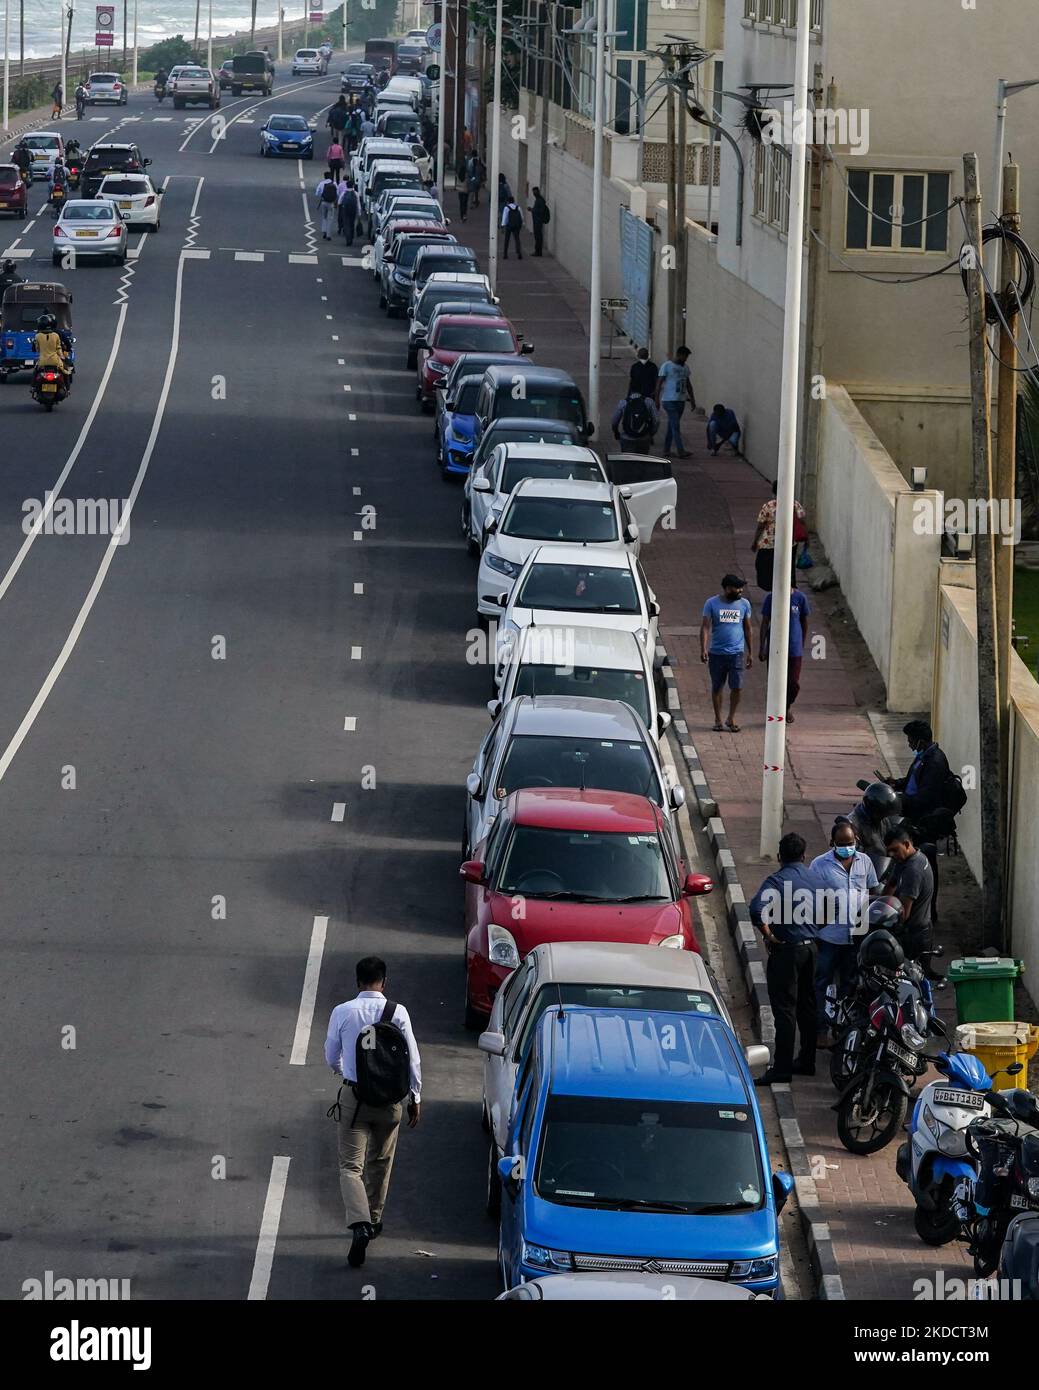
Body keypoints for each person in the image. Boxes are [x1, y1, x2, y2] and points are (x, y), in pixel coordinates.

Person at [324, 956, 421, 1269]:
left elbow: (330, 1056)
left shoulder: (342, 1011)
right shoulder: (399, 1012)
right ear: (384, 981)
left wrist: (348, 1072)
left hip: (355, 1099)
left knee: (350, 1167)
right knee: (380, 1161)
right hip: (390, 1103)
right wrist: (415, 1098)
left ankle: (360, 1222)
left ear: (357, 982)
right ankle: (375, 1221)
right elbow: (413, 1060)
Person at [750, 833, 820, 1084]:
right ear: (804, 855)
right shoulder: (815, 877)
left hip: (787, 951)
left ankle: (781, 1069)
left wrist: (769, 935)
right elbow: (833, 907)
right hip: (811, 948)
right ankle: (807, 1060)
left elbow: (756, 909)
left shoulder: (777, 880)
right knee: (808, 1006)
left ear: (780, 856)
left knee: (785, 1011)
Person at [810, 820, 879, 1047]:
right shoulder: (819, 865)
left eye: (850, 843)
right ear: (832, 843)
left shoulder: (865, 862)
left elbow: (871, 891)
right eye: (842, 844)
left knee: (850, 985)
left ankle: (844, 1029)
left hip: (857, 936)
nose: (847, 848)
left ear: (856, 841)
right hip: (829, 937)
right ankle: (821, 1028)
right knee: (822, 983)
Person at [700, 573, 753, 733]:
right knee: (717, 687)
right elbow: (705, 627)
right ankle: (718, 719)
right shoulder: (711, 603)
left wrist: (750, 652)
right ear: (728, 589)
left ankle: (731, 717)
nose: (741, 591)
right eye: (738, 588)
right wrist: (703, 648)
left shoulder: (744, 604)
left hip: (737, 653)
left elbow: (748, 628)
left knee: (737, 687)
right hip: (716, 653)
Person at [759, 580, 810, 722]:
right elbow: (765, 622)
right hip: (775, 648)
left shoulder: (800, 598)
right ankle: (776, 713)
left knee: (793, 683)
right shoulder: (771, 598)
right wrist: (762, 646)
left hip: (794, 649)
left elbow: (804, 621)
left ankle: (786, 706)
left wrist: (801, 643)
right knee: (775, 682)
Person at [885, 720, 953, 825]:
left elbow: (923, 799)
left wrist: (898, 798)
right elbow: (914, 780)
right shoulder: (922, 756)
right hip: (908, 806)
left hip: (920, 816)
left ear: (920, 742)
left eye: (911, 742)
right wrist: (896, 783)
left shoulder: (934, 763)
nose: (909, 745)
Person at [883, 826, 935, 961]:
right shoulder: (905, 859)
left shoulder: (913, 870)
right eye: (889, 851)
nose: (891, 855)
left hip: (915, 935)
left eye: (895, 850)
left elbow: (904, 913)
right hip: (918, 929)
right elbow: (891, 884)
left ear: (906, 844)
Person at [752, 479, 807, 592]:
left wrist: (755, 541)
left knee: (764, 567)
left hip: (769, 543)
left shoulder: (768, 506)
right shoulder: (795, 504)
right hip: (790, 543)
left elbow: (761, 526)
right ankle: (788, 589)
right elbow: (802, 522)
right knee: (788, 567)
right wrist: (806, 539)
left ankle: (773, 590)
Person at [654, 346, 695, 458]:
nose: (686, 359)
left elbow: (688, 384)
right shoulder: (667, 366)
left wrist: (692, 400)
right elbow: (659, 383)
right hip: (669, 400)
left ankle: (666, 450)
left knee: (671, 425)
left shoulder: (685, 368)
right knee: (675, 426)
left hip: (680, 401)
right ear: (679, 354)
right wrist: (656, 399)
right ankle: (680, 450)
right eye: (685, 356)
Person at [32, 312, 72, 385]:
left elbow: (36, 349)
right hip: (55, 360)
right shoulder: (56, 335)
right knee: (66, 371)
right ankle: (68, 389)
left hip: (42, 361)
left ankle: (33, 387)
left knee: (35, 371)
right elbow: (59, 348)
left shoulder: (37, 336)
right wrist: (62, 357)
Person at [315, 170, 338, 239]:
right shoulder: (334, 183)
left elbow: (317, 193)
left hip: (324, 202)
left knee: (324, 217)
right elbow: (337, 194)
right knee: (330, 219)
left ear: (324, 177)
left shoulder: (322, 183)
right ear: (330, 177)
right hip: (331, 203)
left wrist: (322, 195)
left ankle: (324, 230)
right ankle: (328, 235)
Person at [338, 178, 359, 245]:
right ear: (353, 186)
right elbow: (358, 204)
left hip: (345, 210)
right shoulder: (356, 193)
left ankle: (348, 239)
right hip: (353, 210)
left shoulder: (344, 193)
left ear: (346, 185)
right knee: (352, 223)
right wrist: (359, 213)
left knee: (346, 224)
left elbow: (339, 202)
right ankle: (351, 237)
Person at [529, 186, 550, 256]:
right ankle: (537, 251)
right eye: (533, 192)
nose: (534, 193)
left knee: (538, 236)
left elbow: (540, 211)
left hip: (538, 221)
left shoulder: (540, 200)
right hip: (536, 221)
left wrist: (532, 210)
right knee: (537, 236)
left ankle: (538, 252)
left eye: (535, 192)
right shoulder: (538, 200)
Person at [455, 153, 469, 221]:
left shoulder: (459, 175)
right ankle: (464, 215)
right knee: (465, 203)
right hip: (466, 190)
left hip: (460, 190)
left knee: (461, 203)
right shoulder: (466, 175)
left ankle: (461, 215)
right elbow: (468, 181)